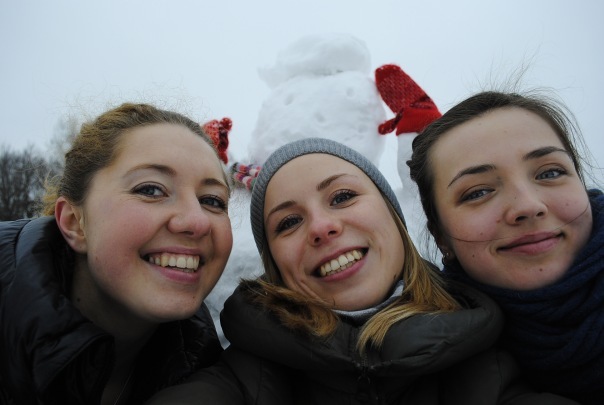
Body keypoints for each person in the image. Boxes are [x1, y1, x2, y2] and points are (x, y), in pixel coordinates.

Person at [147, 137, 578, 404]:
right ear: (275, 265)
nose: (322, 227)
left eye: (342, 197)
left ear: (393, 215)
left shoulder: (489, 372)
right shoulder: (244, 377)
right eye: (289, 222)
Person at [0, 103, 233, 404]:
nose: (197, 222)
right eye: (151, 190)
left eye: (212, 201)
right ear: (75, 222)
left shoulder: (212, 376)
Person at [407, 90, 603, 404]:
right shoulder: (423, 377)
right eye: (478, 192)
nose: (528, 206)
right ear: (441, 237)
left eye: (550, 173)